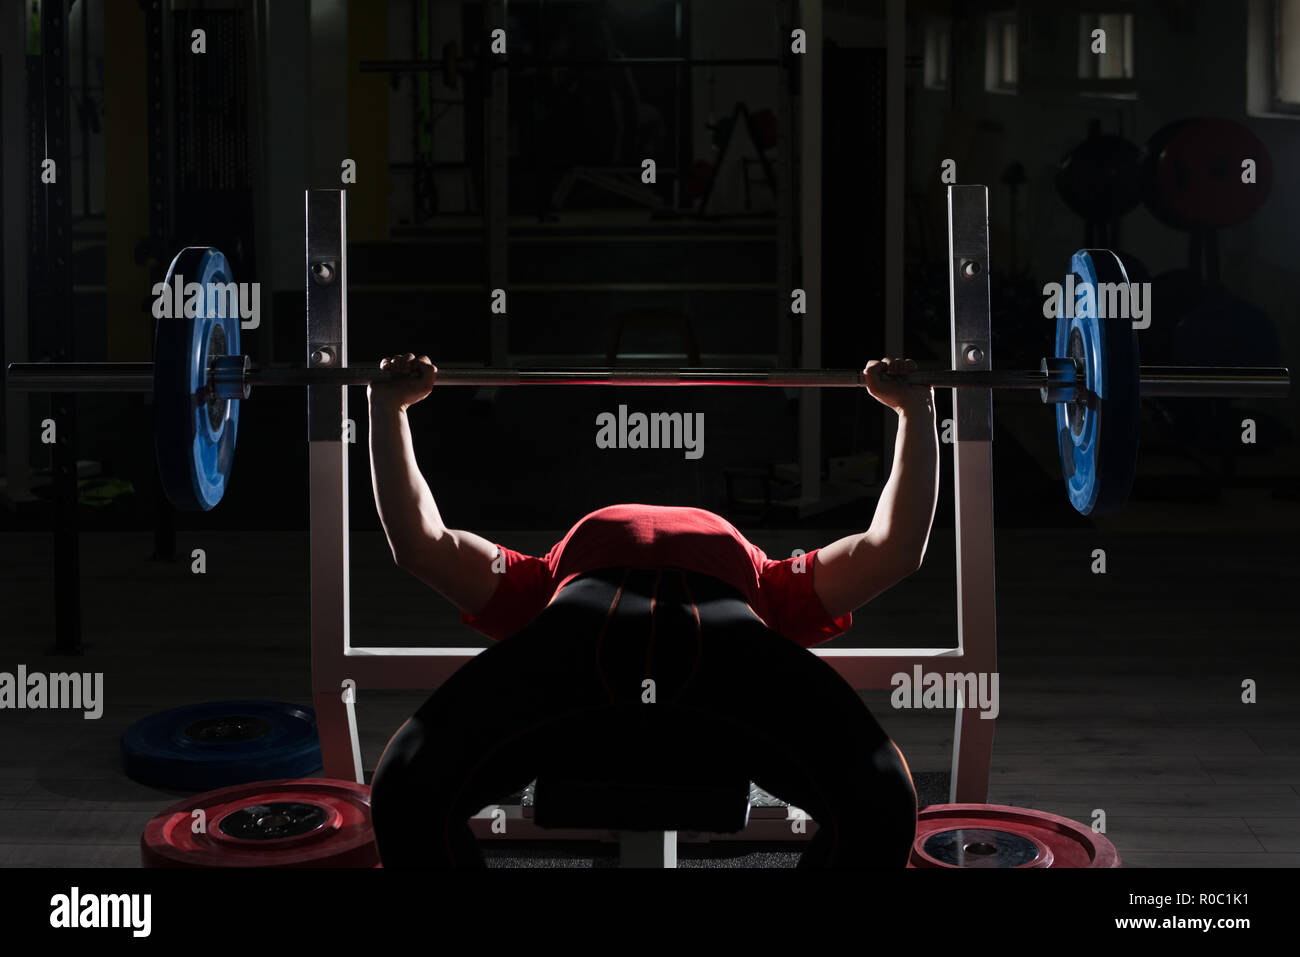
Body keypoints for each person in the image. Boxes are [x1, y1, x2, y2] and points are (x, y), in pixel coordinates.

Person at [366, 354, 939, 868]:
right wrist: (913, 411)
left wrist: (388, 407)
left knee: (405, 790)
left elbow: (425, 545)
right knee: (881, 799)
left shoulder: (538, 579)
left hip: (585, 648)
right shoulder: (767, 579)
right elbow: (891, 550)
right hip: (712, 655)